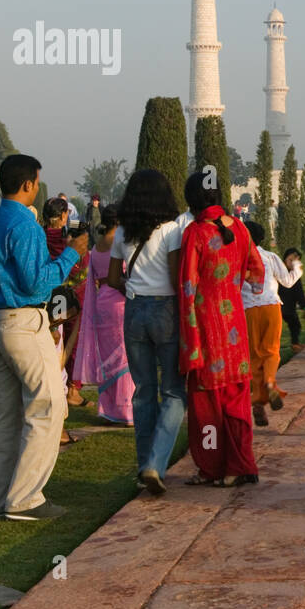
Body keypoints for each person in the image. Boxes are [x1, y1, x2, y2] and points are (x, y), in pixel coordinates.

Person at [0, 154, 86, 521]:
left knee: (6, 415)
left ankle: (3, 497)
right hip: (23, 321)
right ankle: (25, 499)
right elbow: (37, 282)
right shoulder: (26, 226)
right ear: (27, 185)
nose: (37, 187)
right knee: (48, 405)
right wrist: (71, 255)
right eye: (36, 182)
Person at [178, 171, 265, 486]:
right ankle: (242, 464)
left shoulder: (196, 233)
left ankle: (214, 467)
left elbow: (188, 287)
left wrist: (189, 341)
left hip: (206, 328)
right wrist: (232, 283)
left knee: (207, 408)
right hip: (235, 328)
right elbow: (257, 274)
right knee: (236, 401)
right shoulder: (240, 227)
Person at [106, 169, 184, 496]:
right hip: (166, 309)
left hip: (135, 311)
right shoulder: (172, 230)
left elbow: (113, 279)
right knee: (174, 391)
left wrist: (136, 291)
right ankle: (155, 462)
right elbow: (178, 277)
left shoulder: (123, 232)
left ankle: (143, 469)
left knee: (142, 391)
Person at [73, 203, 134, 427]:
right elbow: (123, 274)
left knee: (109, 357)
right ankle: (125, 410)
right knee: (124, 356)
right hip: (120, 300)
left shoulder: (97, 245)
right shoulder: (120, 243)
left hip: (101, 302)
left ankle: (108, 408)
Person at [240, 220, 296, 426]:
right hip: (271, 307)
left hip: (248, 311)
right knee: (271, 352)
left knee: (254, 357)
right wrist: (297, 266)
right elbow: (288, 281)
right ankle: (270, 383)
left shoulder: (239, 258)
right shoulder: (270, 257)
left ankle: (257, 404)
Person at [42, 197, 90, 412]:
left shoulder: (39, 235)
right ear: (63, 216)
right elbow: (80, 262)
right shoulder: (68, 239)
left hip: (46, 296)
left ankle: (56, 387)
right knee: (71, 342)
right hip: (70, 296)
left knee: (51, 343)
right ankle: (71, 389)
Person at [278, 247, 305, 355]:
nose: (292, 264)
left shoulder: (293, 275)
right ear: (284, 260)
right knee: (292, 325)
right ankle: (294, 344)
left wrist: (304, 307)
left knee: (295, 324)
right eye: (290, 260)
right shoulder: (280, 272)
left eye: (295, 261)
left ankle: (295, 343)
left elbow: (299, 292)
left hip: (288, 306)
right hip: (280, 305)